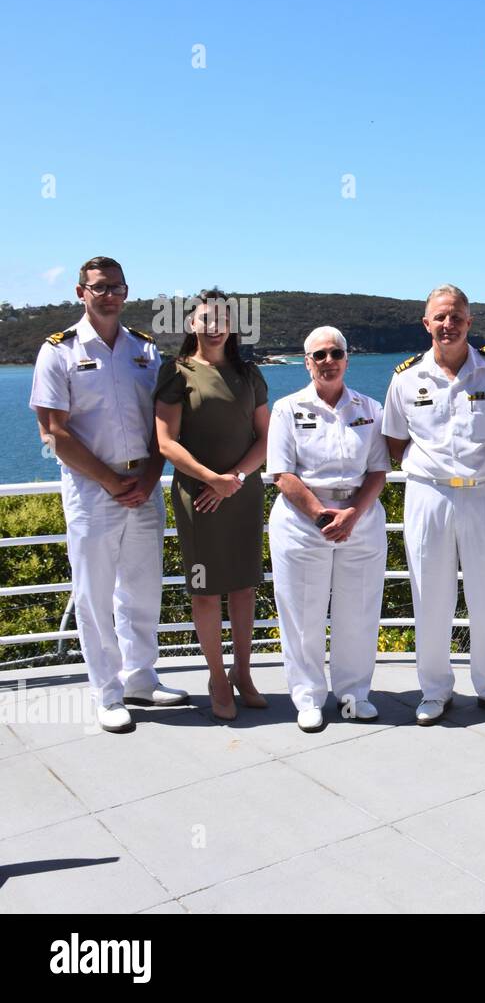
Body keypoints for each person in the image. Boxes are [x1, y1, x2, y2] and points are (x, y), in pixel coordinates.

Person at [29, 256, 188, 733]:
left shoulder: (145, 349)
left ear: (126, 291)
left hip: (143, 484)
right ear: (81, 292)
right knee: (95, 592)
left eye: (116, 286)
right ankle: (107, 691)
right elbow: (53, 432)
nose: (108, 294)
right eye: (98, 287)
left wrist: (148, 476)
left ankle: (140, 677)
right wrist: (107, 479)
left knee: (141, 587)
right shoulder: (57, 351)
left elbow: (161, 422)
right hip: (91, 489)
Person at [382, 284, 485, 725]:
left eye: (457, 316)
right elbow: (392, 441)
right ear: (427, 323)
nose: (449, 324)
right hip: (430, 495)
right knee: (431, 594)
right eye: (440, 317)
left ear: (470, 322)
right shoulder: (405, 377)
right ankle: (435, 690)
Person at [155, 291, 270, 722]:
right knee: (205, 590)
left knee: (243, 586)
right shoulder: (177, 373)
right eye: (206, 318)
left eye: (223, 317)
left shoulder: (249, 373)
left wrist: (235, 480)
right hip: (199, 498)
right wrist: (212, 481)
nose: (215, 325)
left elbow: (265, 437)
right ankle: (217, 679)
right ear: (191, 324)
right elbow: (166, 442)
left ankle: (243, 672)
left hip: (243, 492)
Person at [267, 327, 389, 733]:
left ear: (347, 358)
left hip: (360, 519)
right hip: (303, 524)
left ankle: (355, 695)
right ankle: (308, 698)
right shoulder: (286, 409)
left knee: (359, 611)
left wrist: (351, 514)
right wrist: (322, 515)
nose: (328, 361)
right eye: (318, 355)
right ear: (307, 362)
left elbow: (378, 470)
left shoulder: (370, 408)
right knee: (303, 614)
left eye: (335, 353)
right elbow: (282, 474)